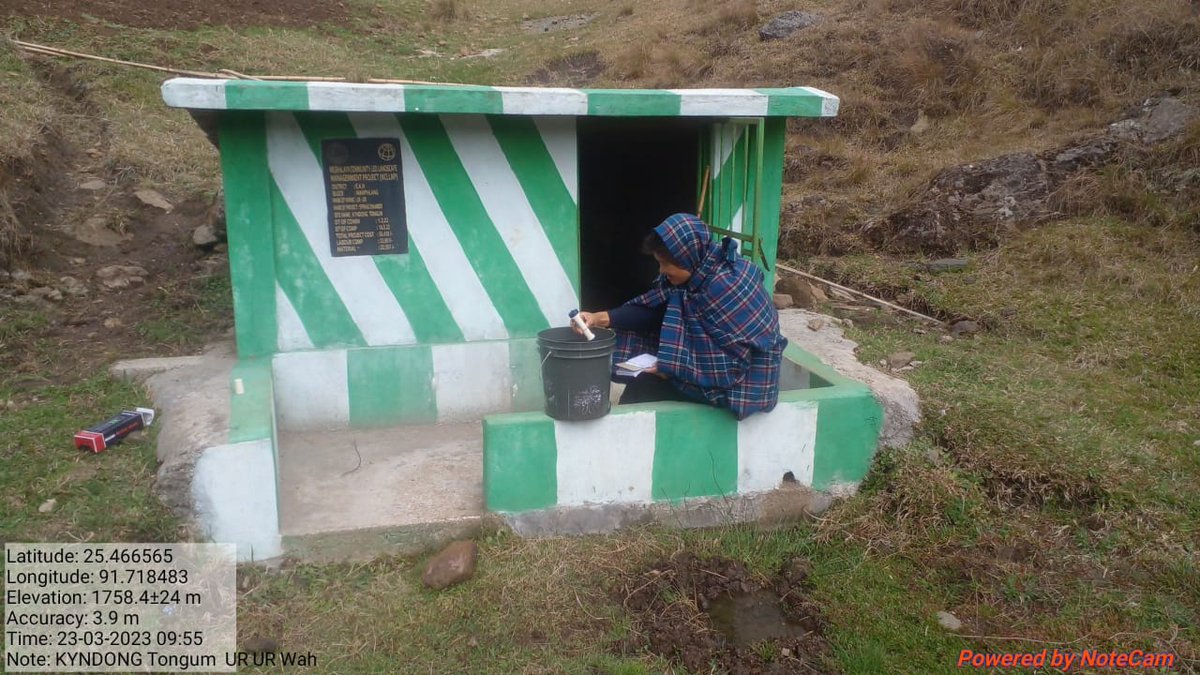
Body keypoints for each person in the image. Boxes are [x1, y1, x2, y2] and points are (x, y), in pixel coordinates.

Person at [575, 213, 787, 420]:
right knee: (642, 375)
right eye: (659, 263)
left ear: (686, 258)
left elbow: (733, 362)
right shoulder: (695, 274)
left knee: (645, 388)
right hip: (712, 367)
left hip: (745, 385)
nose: (661, 270)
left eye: (665, 264)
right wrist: (597, 318)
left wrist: (672, 368)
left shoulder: (728, 286)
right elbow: (655, 310)